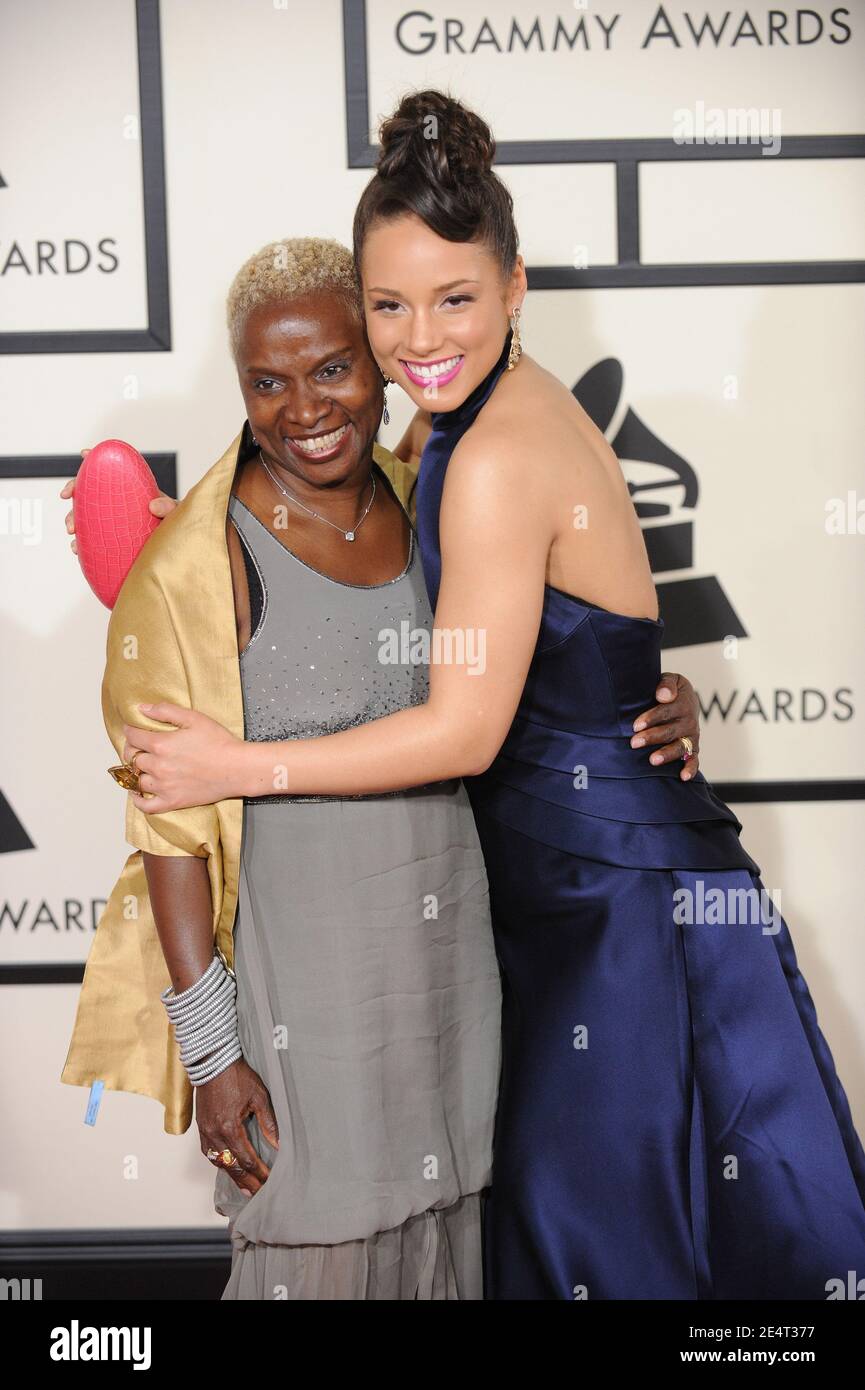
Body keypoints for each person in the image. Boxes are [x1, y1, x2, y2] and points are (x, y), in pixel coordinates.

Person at [116, 91, 865, 1301]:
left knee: (615, 1248)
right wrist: (191, 546)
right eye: (391, 305)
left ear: (515, 287)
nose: (420, 338)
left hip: (602, 905)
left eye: (455, 299)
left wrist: (240, 765)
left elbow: (463, 724)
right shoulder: (460, 425)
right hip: (583, 881)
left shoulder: (491, 452)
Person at [63, 236, 509, 1300]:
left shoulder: (427, 503)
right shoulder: (197, 561)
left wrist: (643, 695)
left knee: (445, 1249)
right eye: (267, 381)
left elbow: (499, 698)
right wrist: (215, 1058)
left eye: (330, 369)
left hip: (447, 987)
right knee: (319, 1251)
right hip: (305, 1006)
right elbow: (170, 833)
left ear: (378, 361)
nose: (302, 406)